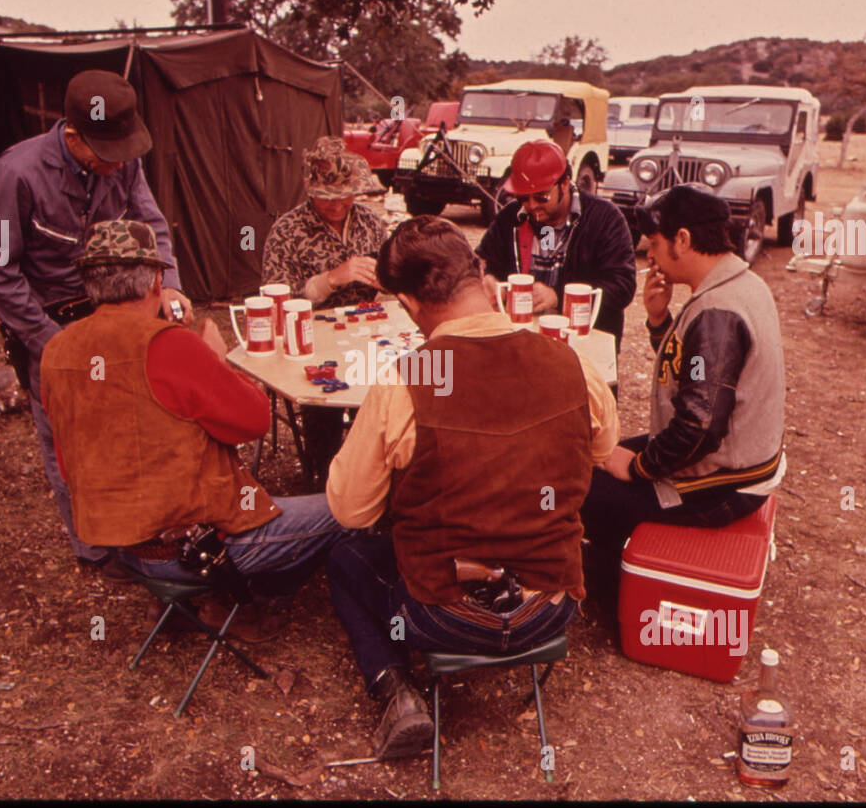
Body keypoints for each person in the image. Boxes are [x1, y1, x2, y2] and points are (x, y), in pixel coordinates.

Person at [324, 216, 619, 758]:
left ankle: (393, 689)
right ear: (483, 276)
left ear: (409, 306)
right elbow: (603, 451)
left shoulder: (407, 380)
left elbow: (351, 510)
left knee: (346, 557)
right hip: (550, 609)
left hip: (444, 618)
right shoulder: (573, 364)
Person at [39, 220, 355, 612]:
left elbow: (71, 459)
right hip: (194, 549)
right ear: (157, 280)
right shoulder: (170, 346)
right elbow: (254, 420)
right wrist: (214, 361)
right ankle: (259, 600)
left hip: (116, 541)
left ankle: (189, 597)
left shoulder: (56, 349)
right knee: (354, 506)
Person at [0, 69, 193, 578]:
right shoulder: (16, 173)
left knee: (125, 421)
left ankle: (133, 526)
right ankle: (94, 549)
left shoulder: (122, 158)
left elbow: (151, 225)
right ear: (72, 135)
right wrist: (51, 344)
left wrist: (173, 283)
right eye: (105, 152)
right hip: (48, 318)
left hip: (112, 311)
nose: (115, 163)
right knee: (67, 437)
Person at [579, 184, 786, 607]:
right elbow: (699, 377)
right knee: (598, 457)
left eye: (655, 244)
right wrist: (659, 320)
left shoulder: (718, 312)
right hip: (743, 460)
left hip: (726, 482)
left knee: (587, 493)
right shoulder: (740, 283)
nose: (649, 256)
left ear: (684, 240)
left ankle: (614, 597)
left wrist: (638, 469)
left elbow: (700, 426)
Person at [262, 136, 388, 478]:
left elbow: (396, 278)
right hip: (311, 338)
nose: (336, 206)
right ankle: (326, 479)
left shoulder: (370, 223)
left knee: (386, 394)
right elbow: (278, 304)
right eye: (326, 198)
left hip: (365, 332)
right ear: (309, 189)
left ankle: (371, 474)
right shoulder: (287, 230)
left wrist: (387, 282)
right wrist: (330, 279)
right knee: (323, 405)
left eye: (344, 196)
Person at [477, 140, 637, 349]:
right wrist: (486, 276)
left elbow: (622, 286)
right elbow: (481, 260)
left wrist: (558, 297)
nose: (532, 205)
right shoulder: (512, 216)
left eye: (542, 197)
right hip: (521, 344)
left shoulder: (606, 219)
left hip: (581, 346)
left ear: (565, 184)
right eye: (524, 197)